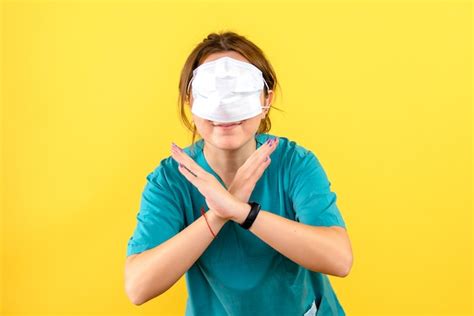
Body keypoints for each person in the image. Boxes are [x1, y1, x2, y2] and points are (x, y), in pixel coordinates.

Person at [124, 31, 353, 315]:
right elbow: (138, 286)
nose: (224, 107)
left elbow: (339, 259)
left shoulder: (295, 164)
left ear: (266, 99)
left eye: (239, 91)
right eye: (210, 92)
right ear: (190, 100)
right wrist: (218, 214)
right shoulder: (171, 180)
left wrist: (242, 211)